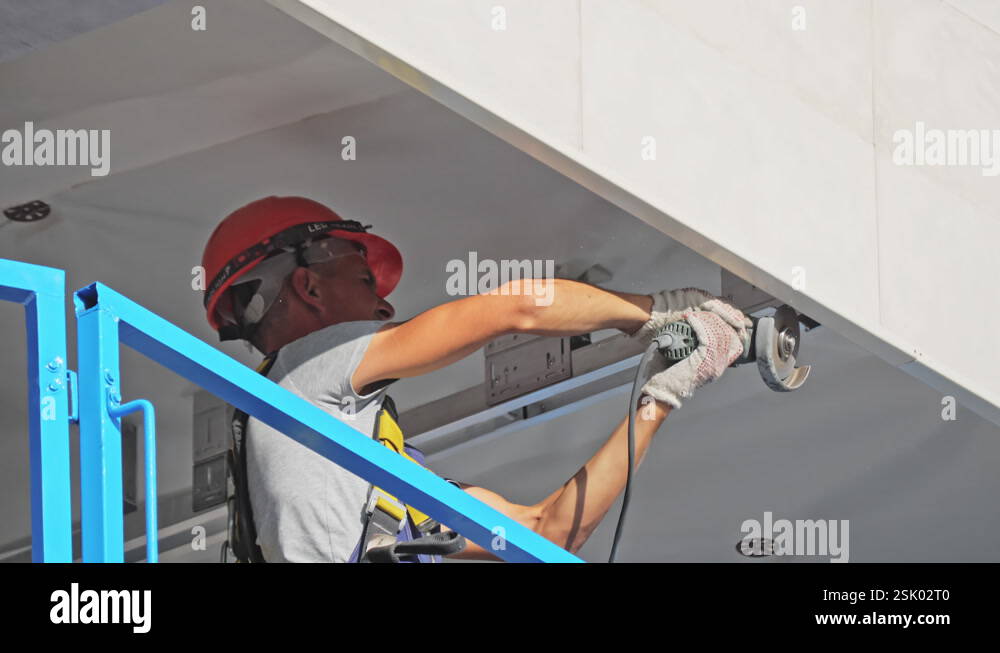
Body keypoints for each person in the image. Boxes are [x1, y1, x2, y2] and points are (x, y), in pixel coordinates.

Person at [201, 195, 751, 562]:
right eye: (365, 277)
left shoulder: (382, 487)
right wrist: (661, 310)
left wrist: (661, 394)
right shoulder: (302, 372)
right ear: (308, 287)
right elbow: (516, 311)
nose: (385, 306)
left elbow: (548, 531)